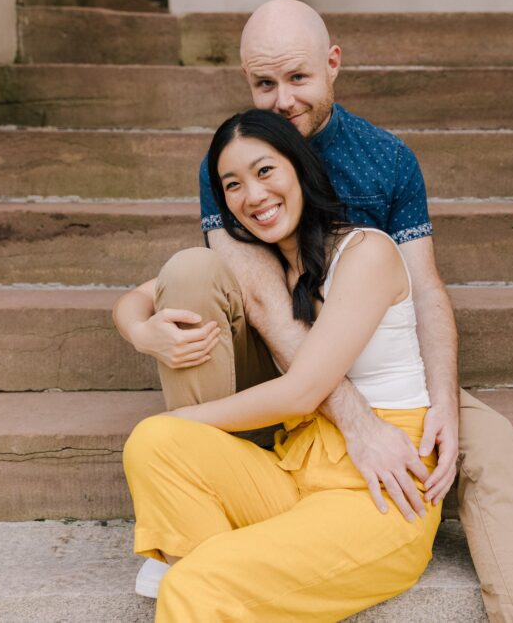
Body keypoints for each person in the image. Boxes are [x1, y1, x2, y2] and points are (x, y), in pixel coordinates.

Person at [113, 0, 513, 622]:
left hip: (374, 362)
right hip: (285, 364)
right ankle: (232, 549)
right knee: (188, 279)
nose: (282, 101)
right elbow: (268, 309)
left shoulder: (382, 172)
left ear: (332, 66)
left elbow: (426, 288)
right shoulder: (234, 160)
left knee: (488, 438)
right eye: (263, 84)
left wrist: (440, 402)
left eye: (297, 79)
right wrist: (140, 329)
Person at [123, 108, 442, 620]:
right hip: (296, 469)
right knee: (153, 445)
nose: (252, 195)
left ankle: (214, 579)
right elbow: (135, 299)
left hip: (379, 488)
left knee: (192, 587)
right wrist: (141, 331)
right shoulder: (261, 265)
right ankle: (233, 578)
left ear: (300, 168)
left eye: (265, 170)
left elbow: (300, 392)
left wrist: (176, 418)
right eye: (232, 184)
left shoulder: (367, 253)